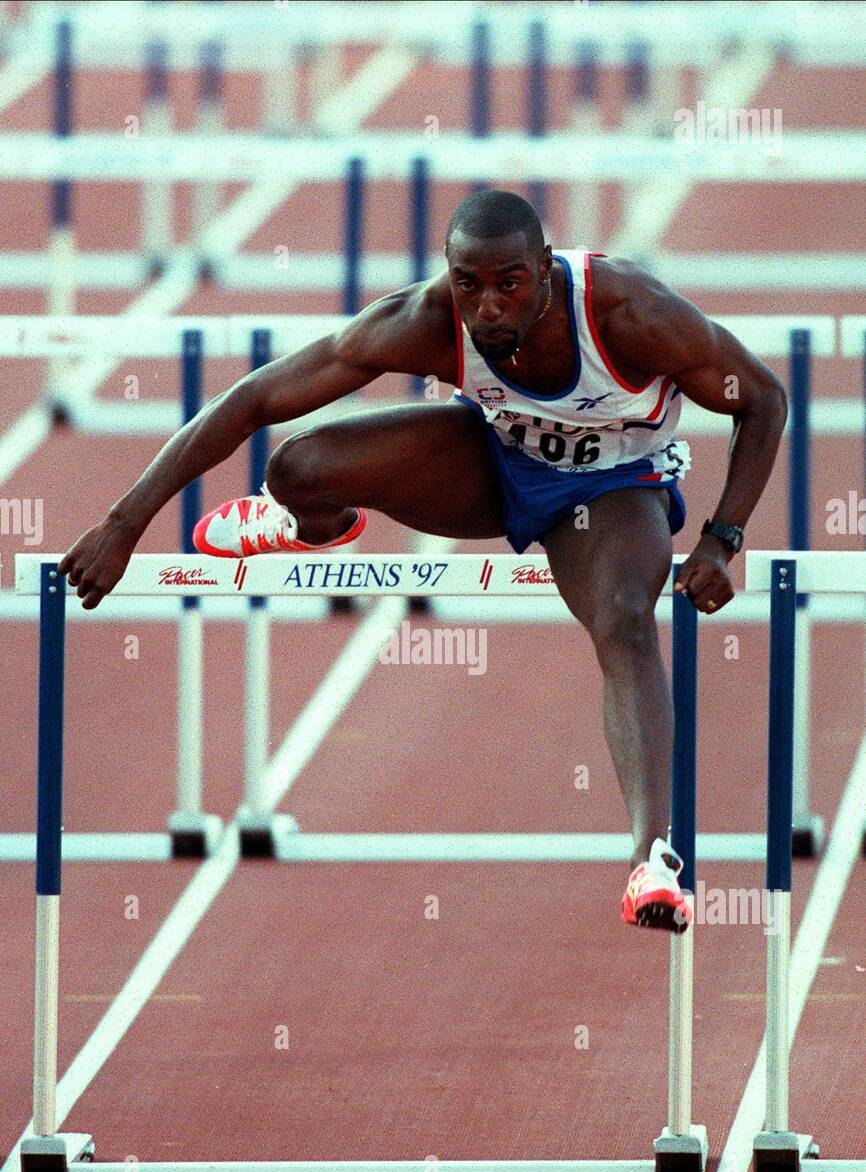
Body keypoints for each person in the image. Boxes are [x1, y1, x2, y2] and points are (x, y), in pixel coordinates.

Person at [59, 190, 787, 930]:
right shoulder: (426, 320)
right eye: (470, 284)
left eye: (511, 283)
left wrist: (722, 538)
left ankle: (649, 860)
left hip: (612, 489)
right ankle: (315, 525)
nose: (490, 308)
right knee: (297, 468)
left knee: (626, 621)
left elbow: (762, 398)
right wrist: (125, 523)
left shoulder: (633, 316)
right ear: (448, 274)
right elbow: (254, 399)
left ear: (546, 270)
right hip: (493, 463)